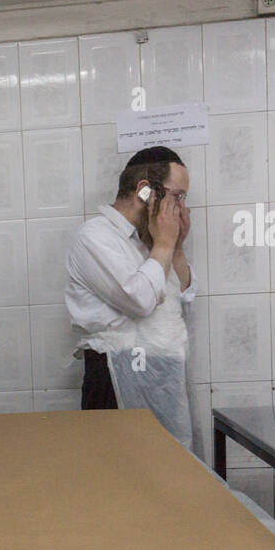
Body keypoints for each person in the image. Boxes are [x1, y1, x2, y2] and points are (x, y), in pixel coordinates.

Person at [65, 146, 197, 451]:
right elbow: (139, 300)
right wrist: (163, 244)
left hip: (159, 378)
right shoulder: (95, 236)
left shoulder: (146, 239)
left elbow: (181, 304)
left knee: (166, 473)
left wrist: (175, 248)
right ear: (144, 190)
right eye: (177, 196)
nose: (180, 206)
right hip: (113, 378)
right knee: (115, 480)